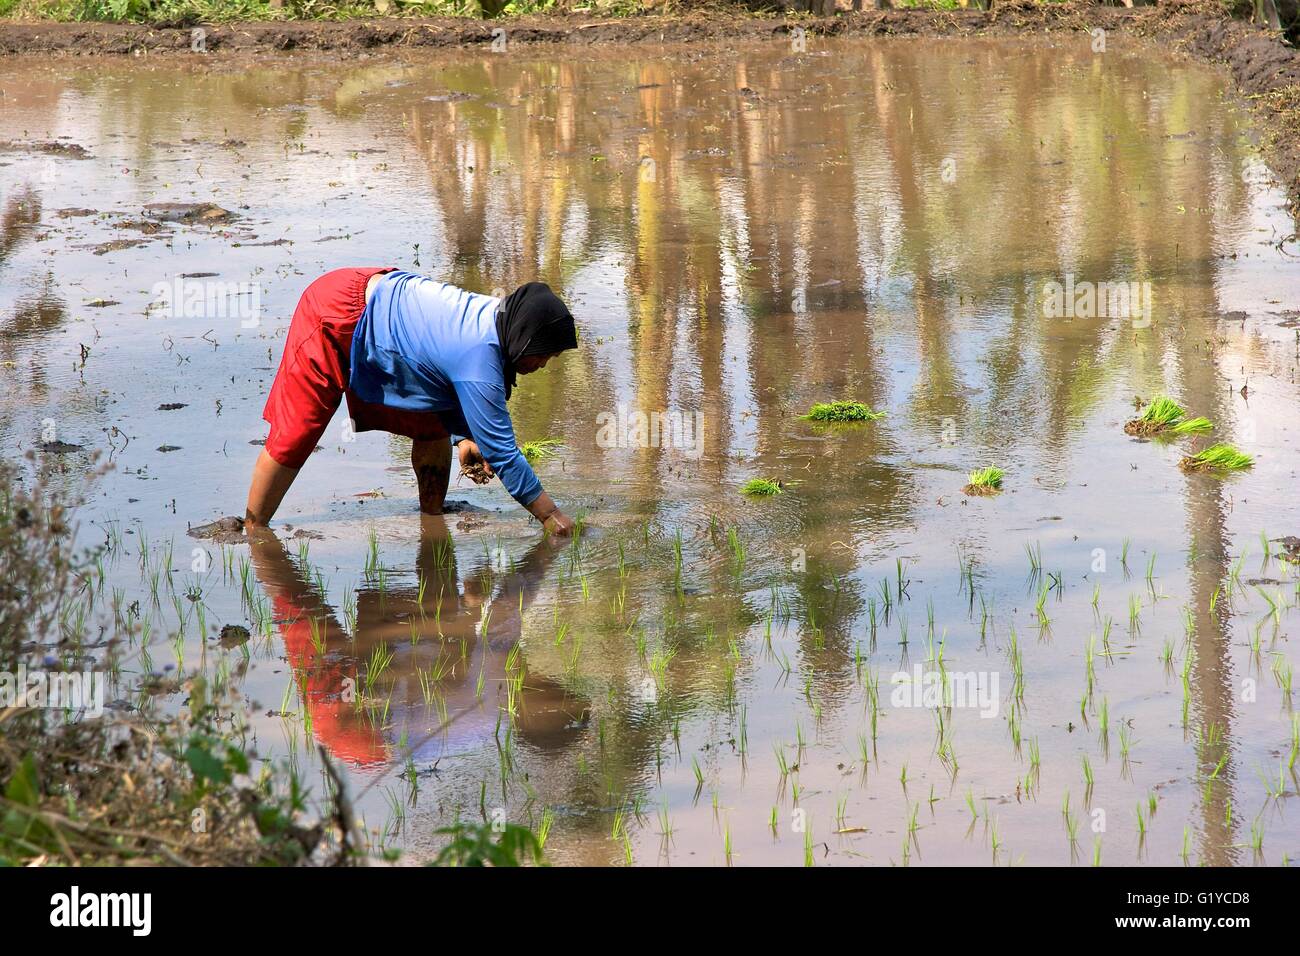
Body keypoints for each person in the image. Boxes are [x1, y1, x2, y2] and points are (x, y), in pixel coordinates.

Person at [243, 268, 577, 536]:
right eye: (543, 354)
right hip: (335, 312)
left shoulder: (499, 317)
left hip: (389, 311)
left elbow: (443, 366)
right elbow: (504, 454)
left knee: (431, 424)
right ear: (525, 337)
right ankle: (254, 529)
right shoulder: (478, 356)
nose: (542, 364)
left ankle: (431, 520)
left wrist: (464, 436)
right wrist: (552, 517)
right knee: (298, 431)